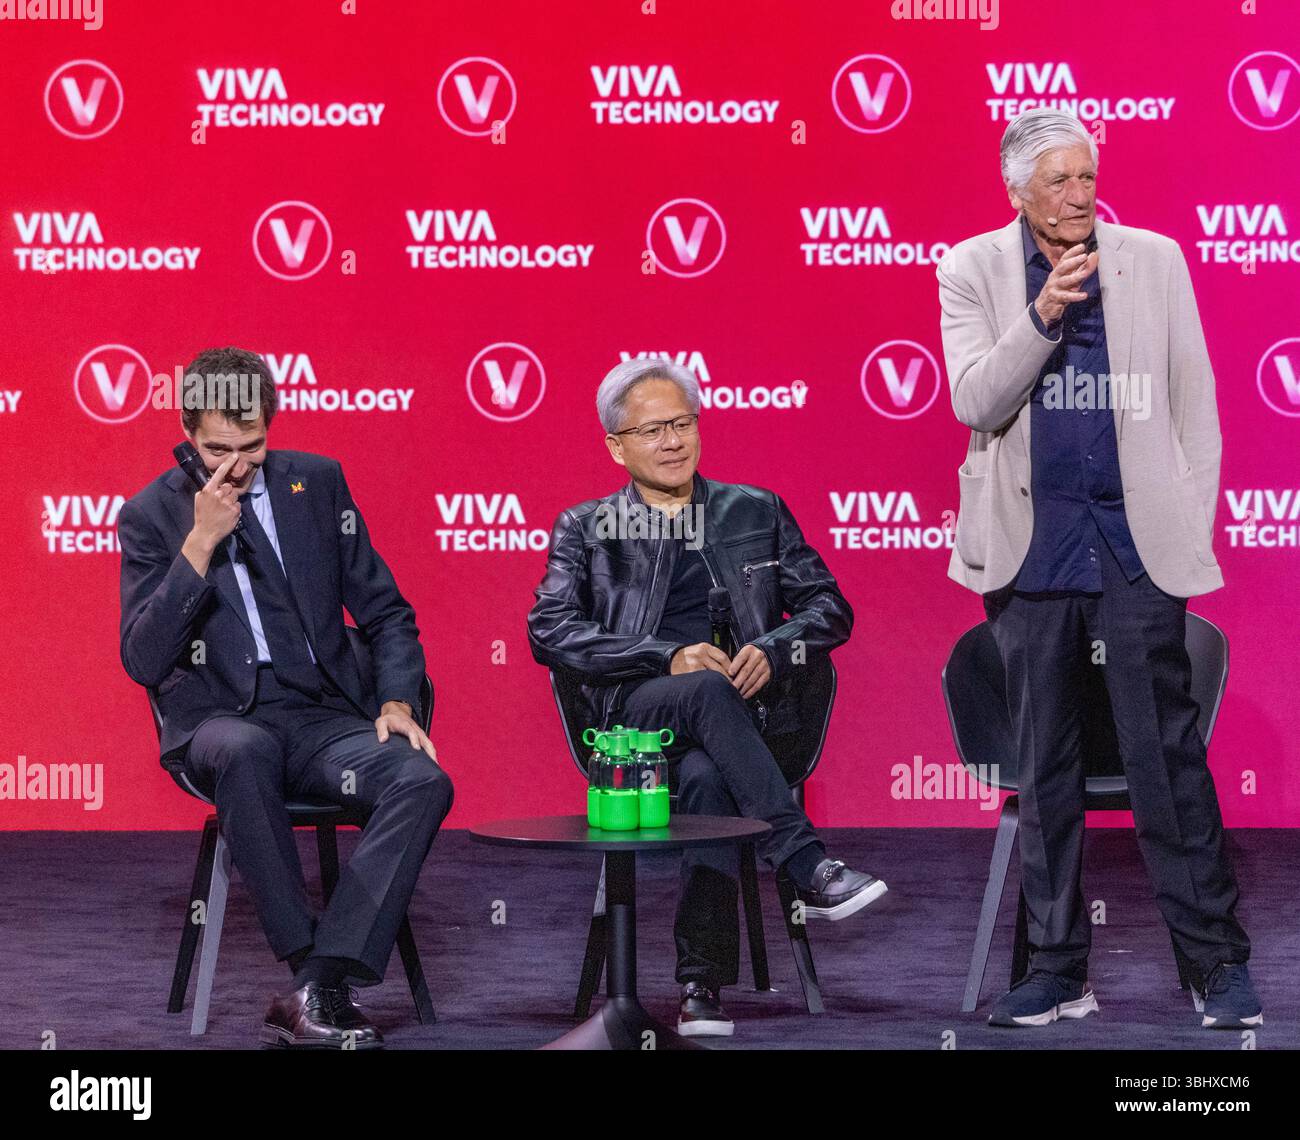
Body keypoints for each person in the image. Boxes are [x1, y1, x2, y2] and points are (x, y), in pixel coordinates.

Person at [937, 108, 1259, 1029]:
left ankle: (1214, 964)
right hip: (1032, 550)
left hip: (1135, 551)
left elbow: (1196, 401)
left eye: (1088, 176)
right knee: (1044, 770)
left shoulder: (1152, 258)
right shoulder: (973, 270)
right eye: (1059, 182)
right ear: (1017, 192)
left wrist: (1183, 528)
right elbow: (976, 397)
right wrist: (1042, 315)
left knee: (1167, 764)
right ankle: (1054, 967)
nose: (1080, 195)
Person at [527, 357, 887, 1038]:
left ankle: (700, 989)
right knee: (697, 687)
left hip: (739, 726)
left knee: (705, 774)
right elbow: (549, 630)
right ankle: (808, 863)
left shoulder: (755, 509)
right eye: (654, 429)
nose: (673, 441)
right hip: (631, 725)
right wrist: (664, 655)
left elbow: (829, 608)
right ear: (616, 445)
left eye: (684, 423)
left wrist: (774, 648)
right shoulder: (586, 526)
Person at [118, 346, 452, 1049]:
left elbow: (388, 613)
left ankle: (319, 984)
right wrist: (200, 545)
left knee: (422, 779)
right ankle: (311, 970)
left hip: (324, 719)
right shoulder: (150, 514)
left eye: (252, 447)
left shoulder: (318, 485)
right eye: (216, 449)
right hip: (220, 720)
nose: (236, 466)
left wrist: (396, 701)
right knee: (244, 750)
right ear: (184, 428)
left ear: (272, 427)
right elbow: (143, 659)